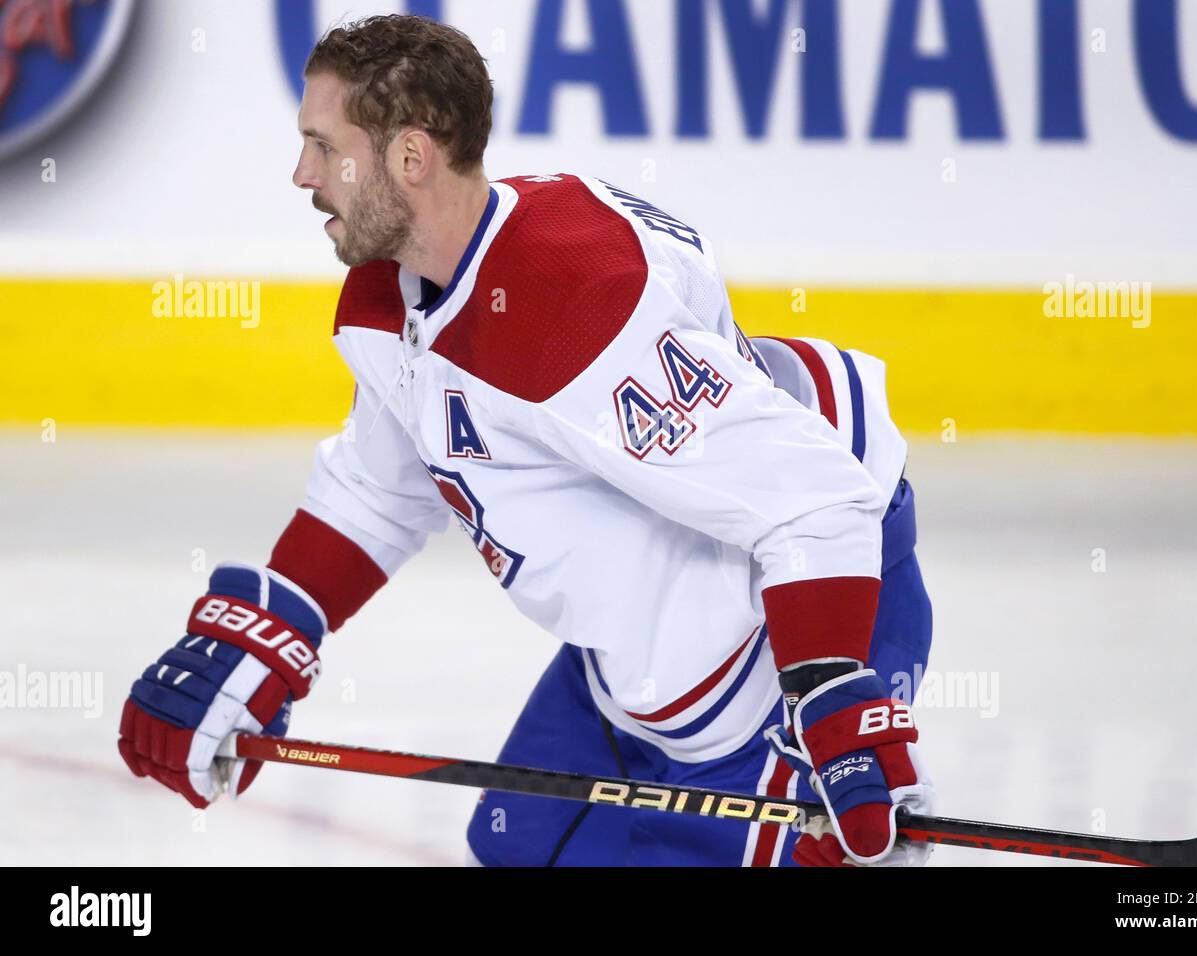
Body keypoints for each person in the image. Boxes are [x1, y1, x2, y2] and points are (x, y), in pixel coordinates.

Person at [117, 14, 934, 867]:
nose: (301, 174)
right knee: (513, 849)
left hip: (783, 657)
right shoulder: (389, 296)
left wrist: (832, 689)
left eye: (324, 146)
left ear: (410, 157)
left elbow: (809, 497)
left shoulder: (571, 311)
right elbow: (379, 490)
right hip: (633, 682)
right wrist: (273, 626)